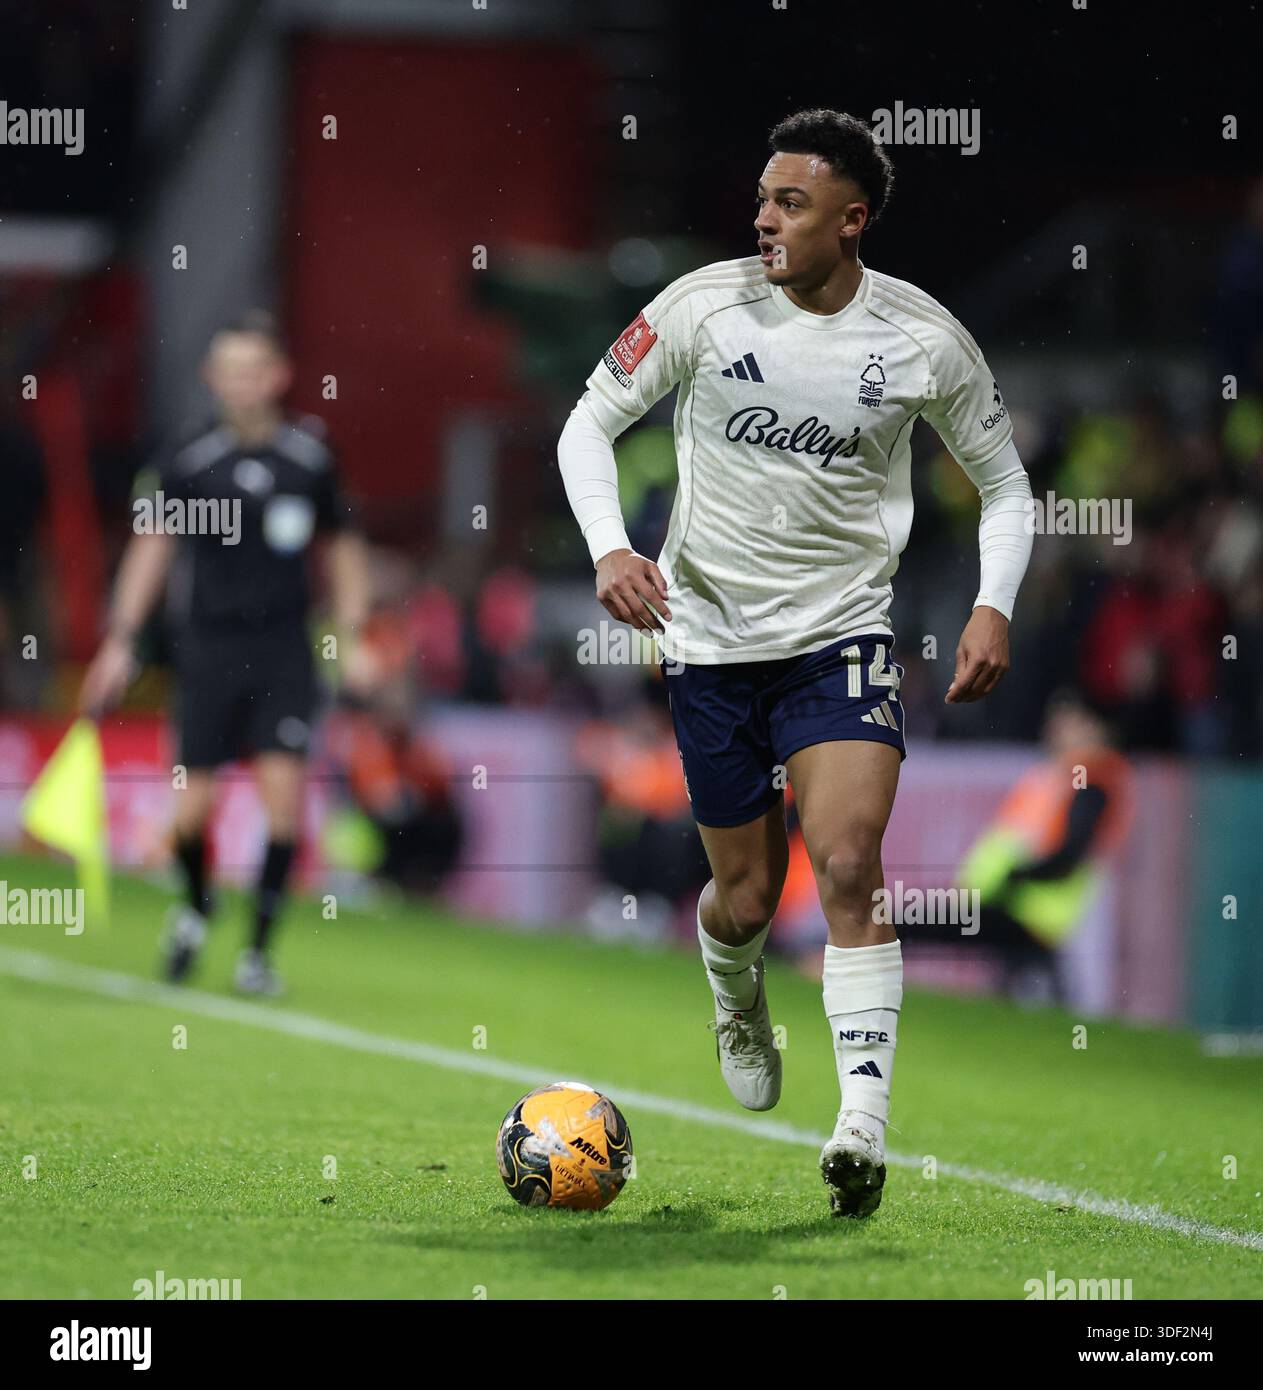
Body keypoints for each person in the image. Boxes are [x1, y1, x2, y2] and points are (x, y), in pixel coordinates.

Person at [558, 109, 1033, 1217]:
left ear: (851, 220)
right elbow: (588, 424)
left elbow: (1005, 484)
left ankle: (861, 1121)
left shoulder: (922, 339)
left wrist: (992, 606)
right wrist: (611, 546)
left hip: (842, 638)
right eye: (763, 198)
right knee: (746, 894)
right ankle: (736, 994)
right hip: (712, 642)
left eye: (790, 203)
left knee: (852, 863)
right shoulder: (700, 307)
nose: (763, 219)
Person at [79, 312, 369, 995]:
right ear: (212, 378)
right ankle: (194, 904)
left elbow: (345, 546)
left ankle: (257, 953)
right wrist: (120, 641)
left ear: (277, 376)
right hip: (207, 650)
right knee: (189, 813)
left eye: (253, 370)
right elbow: (152, 548)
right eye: (228, 371)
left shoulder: (310, 456)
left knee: (282, 804)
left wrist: (351, 635)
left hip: (283, 652)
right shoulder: (187, 457)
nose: (240, 383)